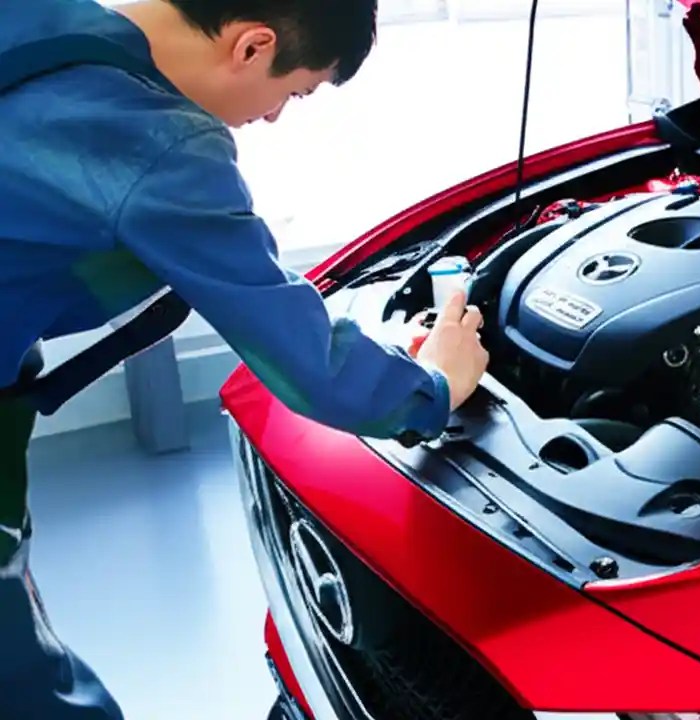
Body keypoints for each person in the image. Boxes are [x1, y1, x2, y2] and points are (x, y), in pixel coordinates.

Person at [0, 0, 490, 717]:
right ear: (253, 46)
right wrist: (437, 382)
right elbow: (309, 363)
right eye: (293, 93)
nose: (273, 118)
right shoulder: (160, 148)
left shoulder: (34, 18)